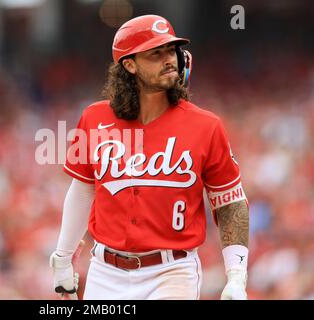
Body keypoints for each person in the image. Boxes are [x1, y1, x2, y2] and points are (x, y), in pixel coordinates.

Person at [49, 14, 249, 300]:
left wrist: (236, 275)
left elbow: (230, 202)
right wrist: (63, 256)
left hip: (172, 270)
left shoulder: (206, 125)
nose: (169, 59)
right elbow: (83, 190)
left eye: (171, 50)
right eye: (156, 53)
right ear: (129, 65)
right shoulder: (95, 118)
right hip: (105, 272)